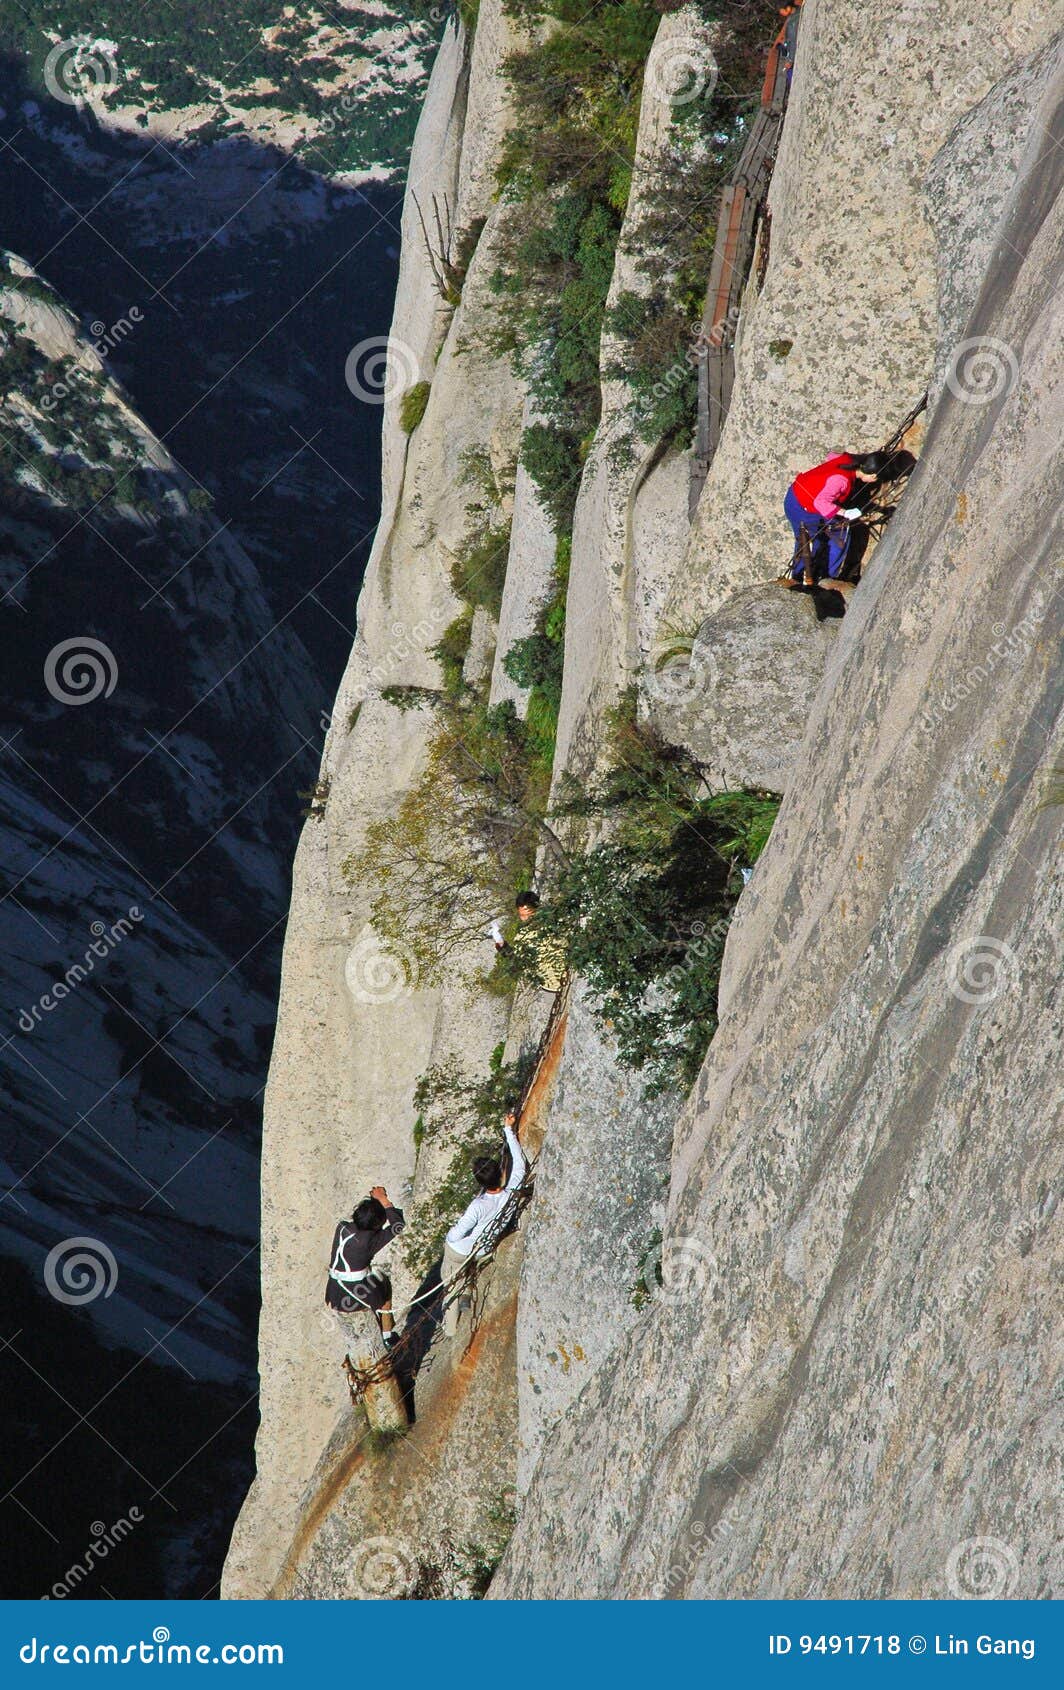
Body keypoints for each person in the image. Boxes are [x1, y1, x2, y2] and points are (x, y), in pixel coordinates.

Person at [440, 1108, 527, 1337]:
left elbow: (456, 1235)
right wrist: (509, 1130)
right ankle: (468, 1289)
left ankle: (449, 1329)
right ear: (500, 1173)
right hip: (484, 1249)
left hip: (461, 1251)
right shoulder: (512, 1190)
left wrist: (449, 1237)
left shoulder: (478, 1205)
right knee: (467, 1258)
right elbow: (519, 1163)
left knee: (449, 1282)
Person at [779, 450, 889, 587]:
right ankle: (825, 578)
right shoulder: (841, 480)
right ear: (873, 475)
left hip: (794, 496)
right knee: (840, 535)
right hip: (805, 508)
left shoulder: (848, 459)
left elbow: (830, 455)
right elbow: (820, 503)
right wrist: (845, 513)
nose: (875, 482)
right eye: (876, 479)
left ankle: (797, 576)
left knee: (803, 540)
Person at [324, 1186, 404, 1348]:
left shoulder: (342, 1227)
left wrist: (374, 1202)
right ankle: (387, 1336)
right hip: (356, 1291)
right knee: (384, 1288)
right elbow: (398, 1225)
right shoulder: (369, 1241)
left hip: (334, 1290)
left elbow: (368, 1219)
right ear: (377, 1224)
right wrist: (383, 1200)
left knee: (377, 1280)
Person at [493, 891, 567, 993]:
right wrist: (503, 947)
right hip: (552, 984)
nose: (526, 919)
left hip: (568, 972)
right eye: (522, 915)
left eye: (529, 914)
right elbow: (519, 962)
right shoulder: (522, 937)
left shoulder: (554, 921)